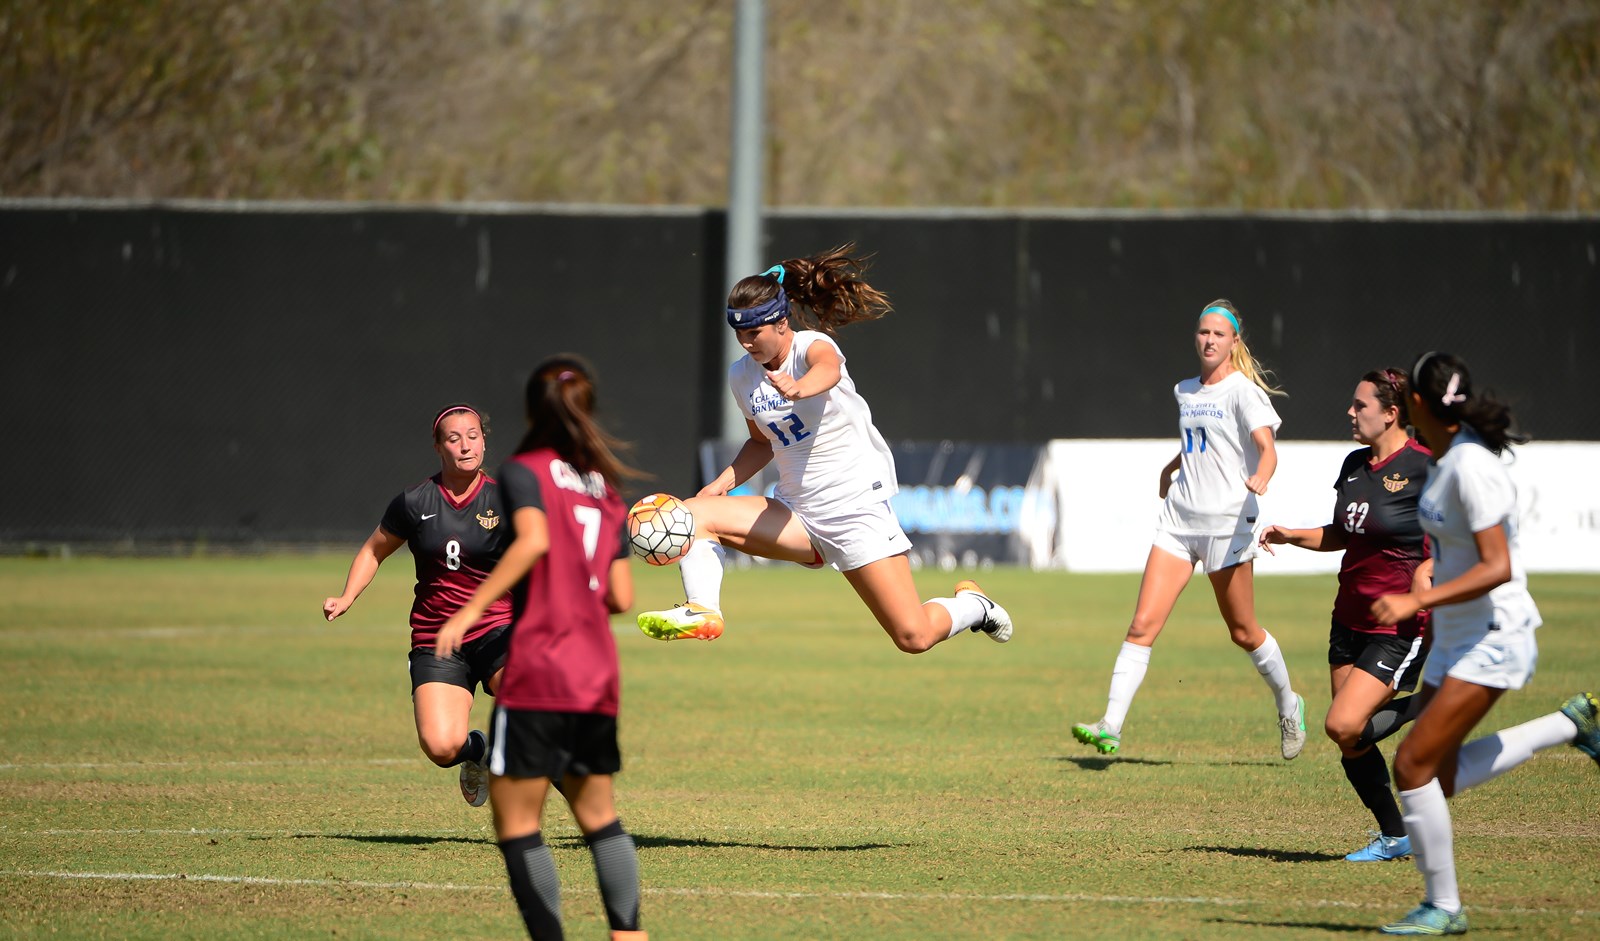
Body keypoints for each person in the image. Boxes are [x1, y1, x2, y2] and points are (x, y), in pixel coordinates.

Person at [633, 244, 1013, 653]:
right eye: (739, 333)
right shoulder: (742, 375)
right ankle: (702, 609)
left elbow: (827, 370)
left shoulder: (811, 346)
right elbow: (761, 442)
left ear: (781, 322)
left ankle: (974, 605)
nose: (745, 343)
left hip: (854, 510)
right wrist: (720, 485)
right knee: (692, 512)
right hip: (795, 514)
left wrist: (798, 388)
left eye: (753, 332)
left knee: (913, 636)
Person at [1365, 351, 1598, 936]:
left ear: (1417, 404)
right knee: (1434, 779)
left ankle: (1443, 907)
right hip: (1457, 637)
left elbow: (1497, 566)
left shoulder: (1470, 465)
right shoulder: (1449, 459)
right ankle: (1570, 724)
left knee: (1411, 764)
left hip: (1495, 636)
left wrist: (1416, 601)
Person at [435, 355, 645, 941]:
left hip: (539, 670)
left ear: (532, 411)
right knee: (600, 817)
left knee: (518, 823)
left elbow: (532, 541)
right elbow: (622, 597)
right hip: (596, 672)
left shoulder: (524, 471)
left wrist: (470, 610)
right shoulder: (605, 485)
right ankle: (630, 936)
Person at [1071, 299, 1306, 759]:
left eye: (1219, 334)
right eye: (1203, 332)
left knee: (1244, 632)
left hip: (1227, 524)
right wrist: (1171, 467)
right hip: (1178, 521)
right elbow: (1200, 442)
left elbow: (1266, 448)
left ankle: (1288, 702)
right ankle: (1110, 725)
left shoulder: (1242, 392)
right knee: (1142, 625)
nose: (1209, 340)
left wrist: (1263, 476)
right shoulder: (1185, 390)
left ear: (1234, 342)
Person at [1257, 368, 1435, 862]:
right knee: (1351, 739)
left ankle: (1435, 702)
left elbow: (1458, 541)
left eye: (1361, 406)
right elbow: (1344, 533)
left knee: (1342, 725)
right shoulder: (1355, 463)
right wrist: (1293, 535)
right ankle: (1396, 835)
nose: (1350, 412)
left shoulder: (1426, 468)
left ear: (1391, 413)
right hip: (1348, 620)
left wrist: (1429, 573)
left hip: (1397, 626)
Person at [323, 403, 508, 808]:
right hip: (437, 637)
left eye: (473, 436)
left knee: (531, 709)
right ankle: (478, 750)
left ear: (484, 440)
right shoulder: (414, 501)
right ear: (438, 447)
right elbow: (373, 551)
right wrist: (347, 595)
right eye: (454, 439)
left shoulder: (506, 500)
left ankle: (593, 823)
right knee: (441, 746)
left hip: (498, 628)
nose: (466, 446)